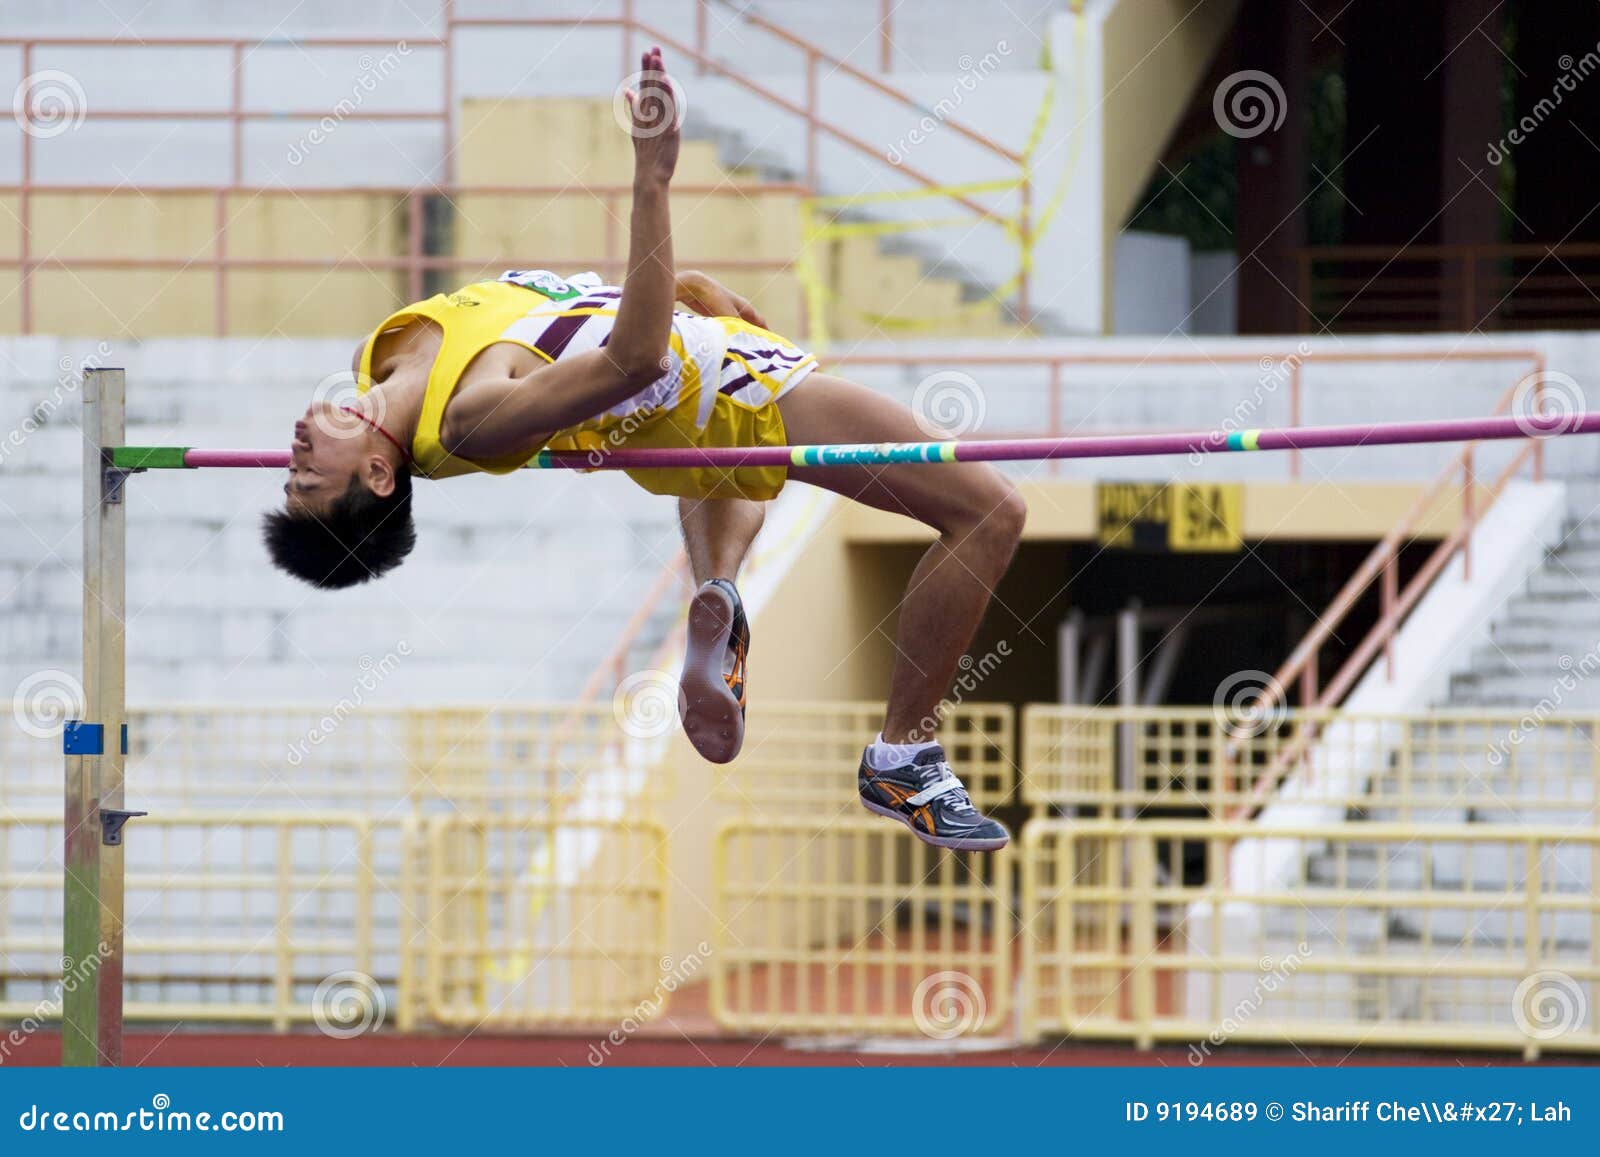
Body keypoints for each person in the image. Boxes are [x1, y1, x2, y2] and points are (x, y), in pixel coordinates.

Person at [263, 48, 1025, 851]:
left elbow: (569, 316)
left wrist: (681, 285)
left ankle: (719, 598)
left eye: (291, 469)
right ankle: (902, 755)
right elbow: (634, 359)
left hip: (705, 378)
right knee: (990, 512)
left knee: (730, 472)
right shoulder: (467, 421)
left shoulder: (380, 354)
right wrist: (653, 178)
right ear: (380, 474)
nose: (295, 450)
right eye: (309, 477)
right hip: (728, 391)